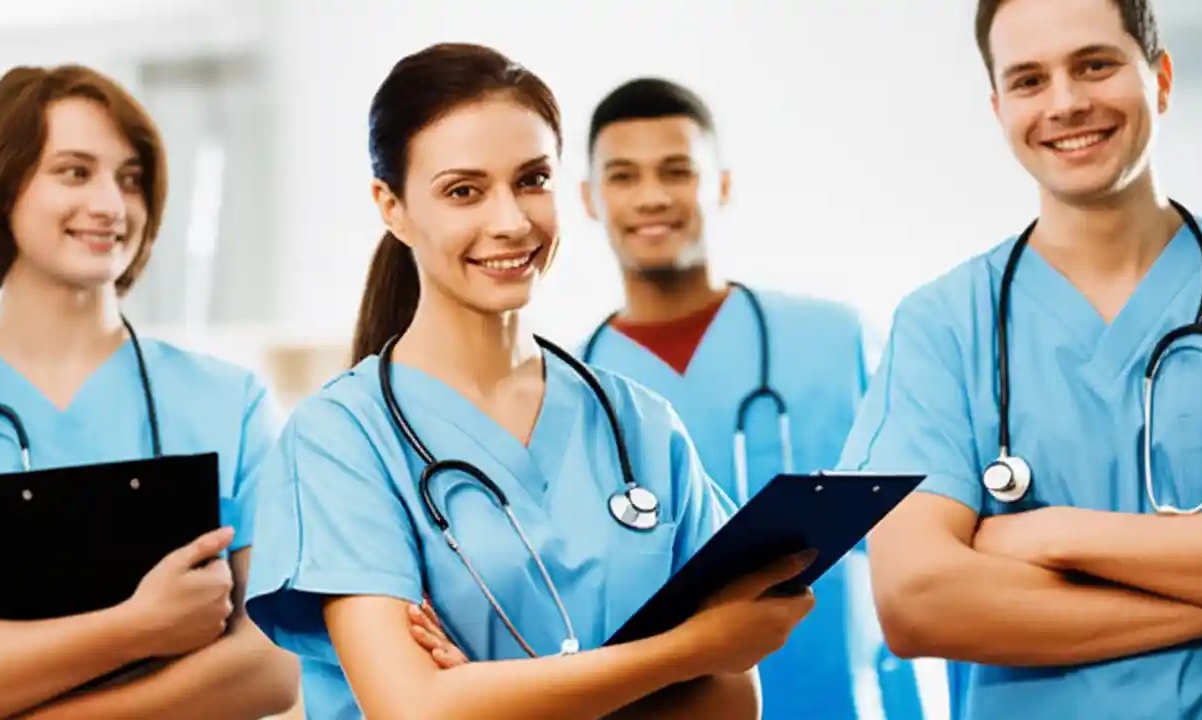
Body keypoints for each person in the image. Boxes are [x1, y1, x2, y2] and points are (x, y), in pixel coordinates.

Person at [245, 42, 818, 720]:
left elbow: (729, 703)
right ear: (392, 206)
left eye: (532, 180)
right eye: (464, 191)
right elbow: (416, 709)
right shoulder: (341, 438)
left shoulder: (639, 423)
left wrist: (502, 694)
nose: (511, 221)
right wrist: (687, 651)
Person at [838, 0, 1202, 718]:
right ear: (998, 109)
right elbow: (918, 601)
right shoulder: (944, 323)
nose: (1067, 103)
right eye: (1028, 81)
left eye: (1095, 65)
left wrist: (1053, 533)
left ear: (1161, 78)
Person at [0, 64, 300, 719]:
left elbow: (274, 663)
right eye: (75, 172)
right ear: (1, 189)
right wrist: (137, 628)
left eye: (130, 178)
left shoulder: (231, 401)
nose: (112, 206)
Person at [570, 77, 920, 720]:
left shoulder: (835, 339)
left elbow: (915, 549)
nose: (651, 196)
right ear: (590, 199)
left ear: (721, 185)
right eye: (623, 176)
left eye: (677, 170)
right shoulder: (567, 391)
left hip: (837, 700)